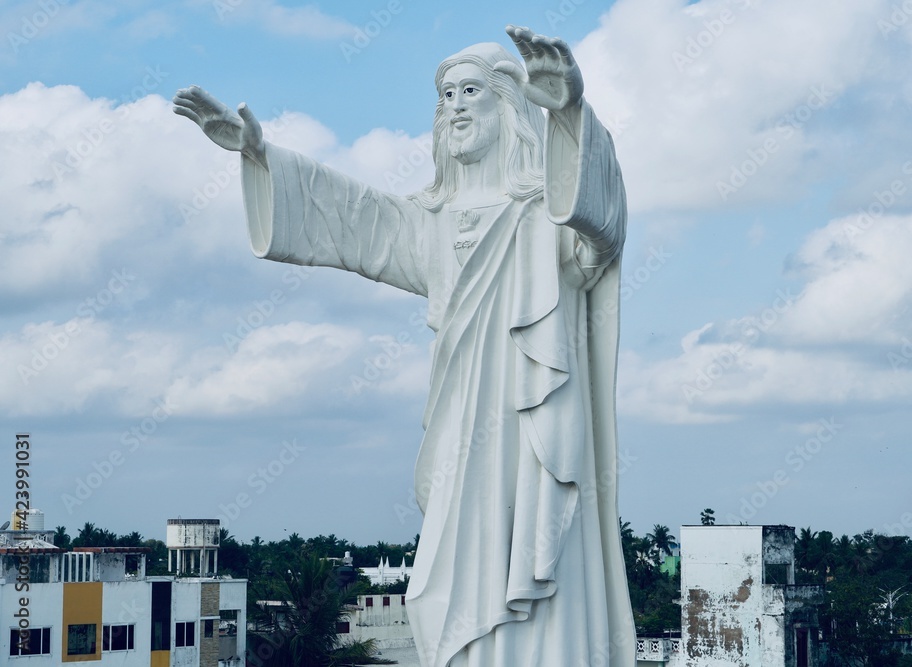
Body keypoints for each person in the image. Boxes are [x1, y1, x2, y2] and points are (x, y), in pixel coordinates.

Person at [174, 25, 635, 667]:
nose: (455, 107)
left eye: (470, 91)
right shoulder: (431, 217)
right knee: (454, 566)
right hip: (461, 430)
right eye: (446, 95)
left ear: (509, 104)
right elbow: (352, 217)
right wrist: (260, 155)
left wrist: (570, 115)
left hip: (535, 423)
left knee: (538, 549)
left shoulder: (544, 209)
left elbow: (599, 241)